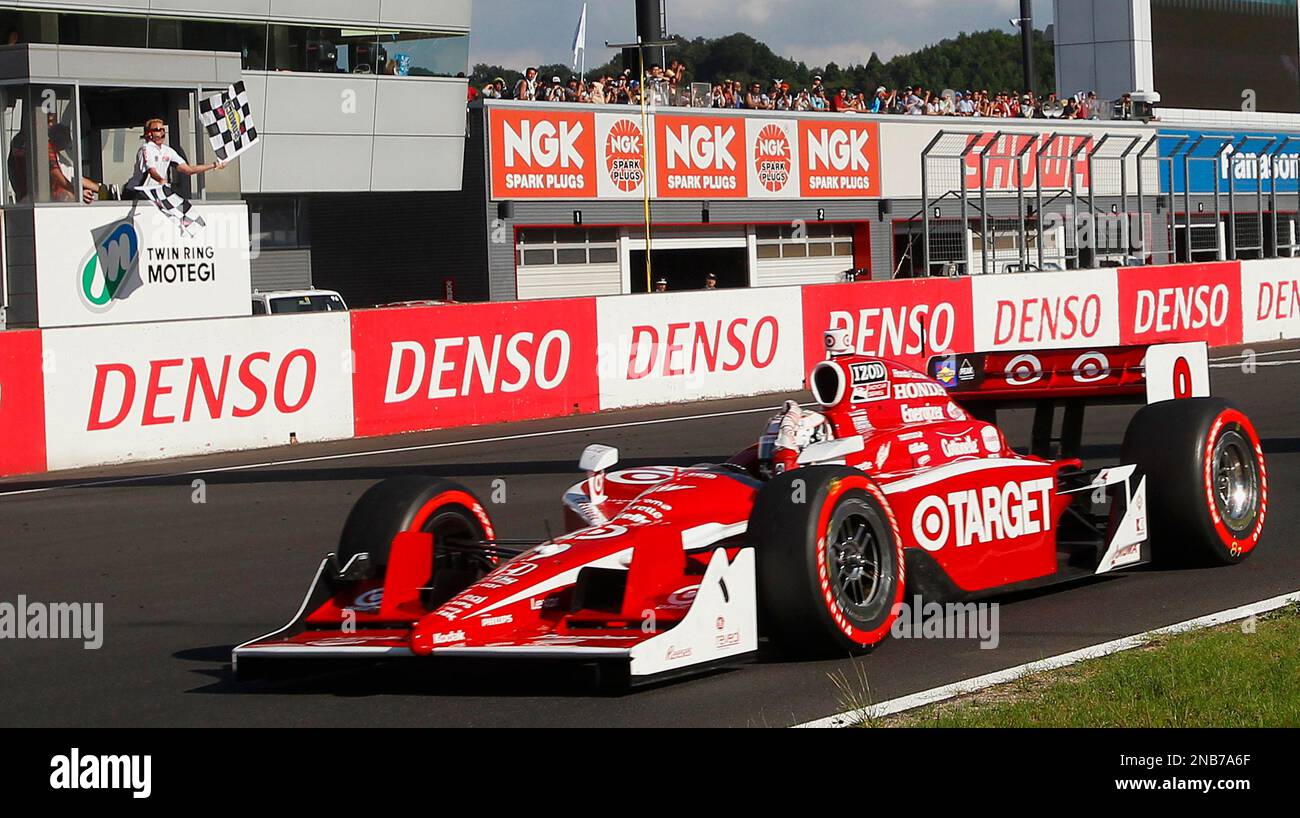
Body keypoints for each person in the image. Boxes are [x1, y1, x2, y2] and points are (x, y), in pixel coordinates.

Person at [126, 118, 225, 197]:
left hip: (153, 194)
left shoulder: (168, 151)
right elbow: (151, 171)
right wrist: (161, 180)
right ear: (149, 134)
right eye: (157, 130)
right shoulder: (146, 148)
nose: (161, 132)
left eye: (163, 130)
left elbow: (188, 170)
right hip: (136, 192)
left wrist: (214, 165)